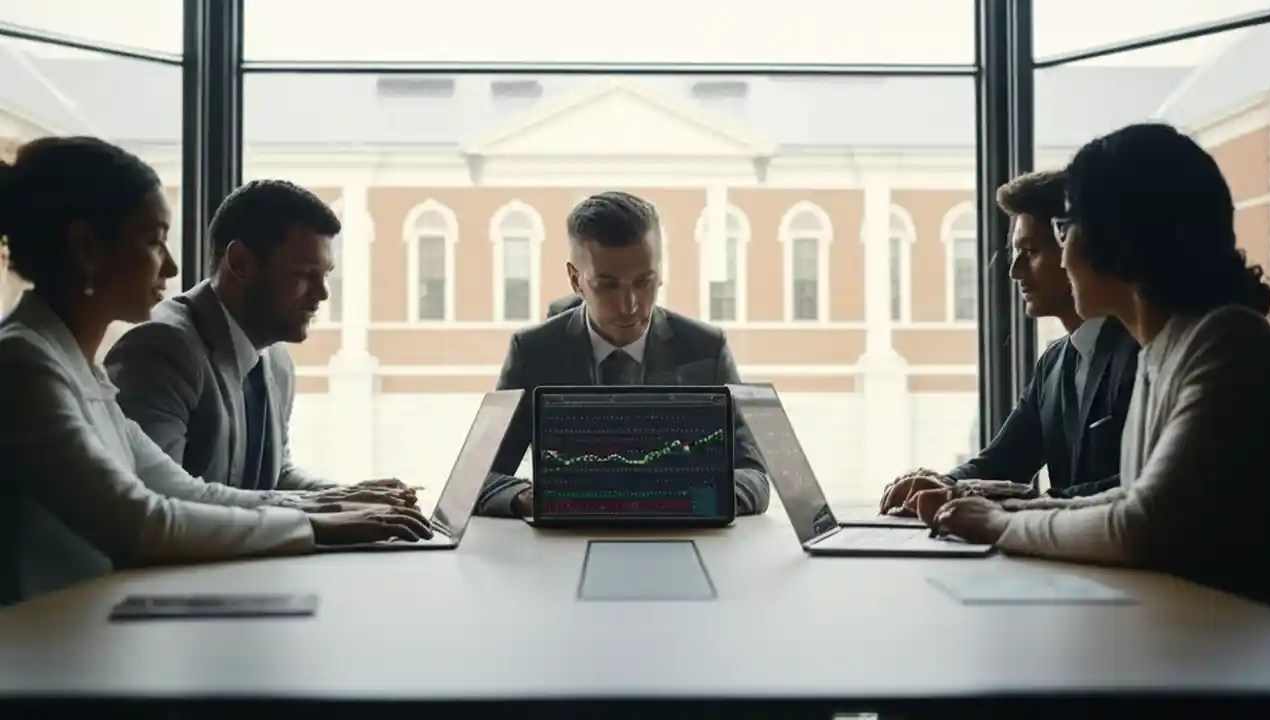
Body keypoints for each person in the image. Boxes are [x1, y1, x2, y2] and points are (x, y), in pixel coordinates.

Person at [0, 137, 431, 606]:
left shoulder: (76, 367)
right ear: (86, 246)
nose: (170, 264)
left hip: (82, 632)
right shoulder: (23, 365)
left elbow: (186, 490)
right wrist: (318, 523)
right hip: (39, 654)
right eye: (153, 241)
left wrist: (334, 507)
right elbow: (146, 523)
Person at [930, 123, 1270, 606]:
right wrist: (1008, 507)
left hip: (1238, 655)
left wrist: (1002, 523)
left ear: (1117, 240)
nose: (1062, 251)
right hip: (1195, 633)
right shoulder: (1170, 347)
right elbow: (1132, 497)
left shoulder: (1225, 344)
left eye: (1064, 229)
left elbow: (1141, 522)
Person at [105, 180, 410, 505]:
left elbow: (275, 478)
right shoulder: (160, 349)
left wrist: (351, 497)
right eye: (305, 274)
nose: (322, 293)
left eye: (325, 274)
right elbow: (162, 505)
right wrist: (329, 508)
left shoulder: (276, 358)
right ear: (240, 263)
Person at [478, 191, 771, 517]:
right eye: (608, 285)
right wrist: (527, 498)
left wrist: (690, 498)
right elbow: (475, 480)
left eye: (644, 282)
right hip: (563, 552)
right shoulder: (533, 352)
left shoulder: (705, 349)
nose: (630, 305)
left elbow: (754, 475)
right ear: (576, 280)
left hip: (677, 544)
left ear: (660, 270)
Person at [880, 170, 1138, 520]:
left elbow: (1134, 489)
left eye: (1029, 251)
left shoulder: (1139, 352)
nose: (1015, 271)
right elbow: (1003, 462)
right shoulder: (1054, 363)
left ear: (1074, 247)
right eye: (1014, 252)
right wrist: (940, 484)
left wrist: (1017, 507)